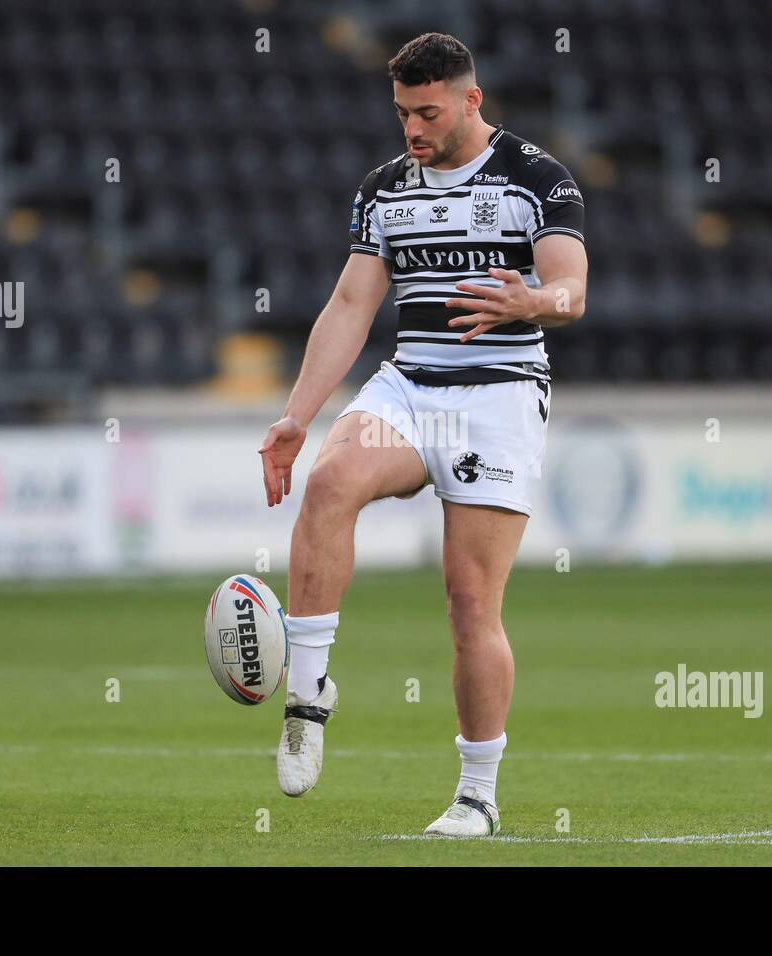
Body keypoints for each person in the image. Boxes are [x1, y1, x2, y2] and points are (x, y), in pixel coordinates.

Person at [257, 31, 587, 836]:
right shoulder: (384, 189)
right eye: (403, 111)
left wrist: (532, 303)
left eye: (428, 112)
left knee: (470, 600)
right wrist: (297, 416)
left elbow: (574, 290)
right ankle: (307, 700)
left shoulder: (536, 178)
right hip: (412, 385)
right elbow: (349, 306)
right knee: (331, 482)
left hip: (500, 396)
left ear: (472, 100)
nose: (413, 128)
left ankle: (477, 793)